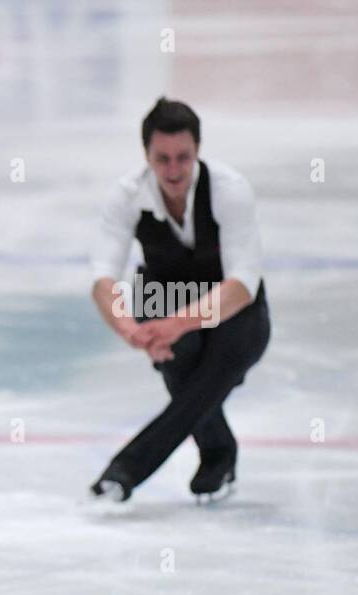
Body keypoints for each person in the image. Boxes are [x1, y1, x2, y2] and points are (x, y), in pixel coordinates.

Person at [88, 97, 271, 503]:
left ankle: (127, 471)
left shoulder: (229, 190)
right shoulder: (128, 196)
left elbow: (242, 283)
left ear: (198, 152)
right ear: (147, 156)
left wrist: (177, 323)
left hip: (233, 309)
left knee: (218, 358)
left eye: (182, 158)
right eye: (162, 158)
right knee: (182, 359)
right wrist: (128, 328)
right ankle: (218, 456)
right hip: (163, 299)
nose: (173, 170)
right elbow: (104, 278)